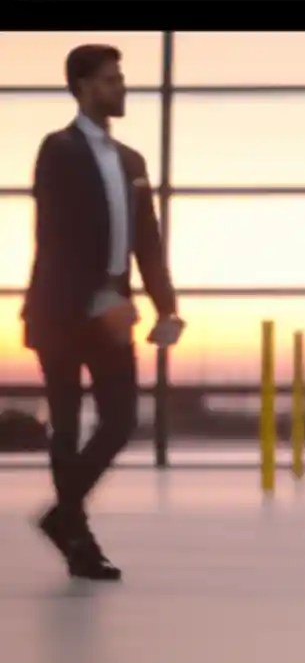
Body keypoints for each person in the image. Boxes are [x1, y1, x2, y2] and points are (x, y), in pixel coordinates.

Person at [21, 44, 184, 581]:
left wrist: (167, 307)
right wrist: (101, 298)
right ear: (84, 86)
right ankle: (79, 541)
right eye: (111, 80)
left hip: (113, 310)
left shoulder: (132, 161)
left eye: (121, 78)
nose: (121, 88)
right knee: (65, 426)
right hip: (63, 311)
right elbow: (58, 235)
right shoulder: (58, 150)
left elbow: (149, 244)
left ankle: (61, 516)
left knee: (120, 420)